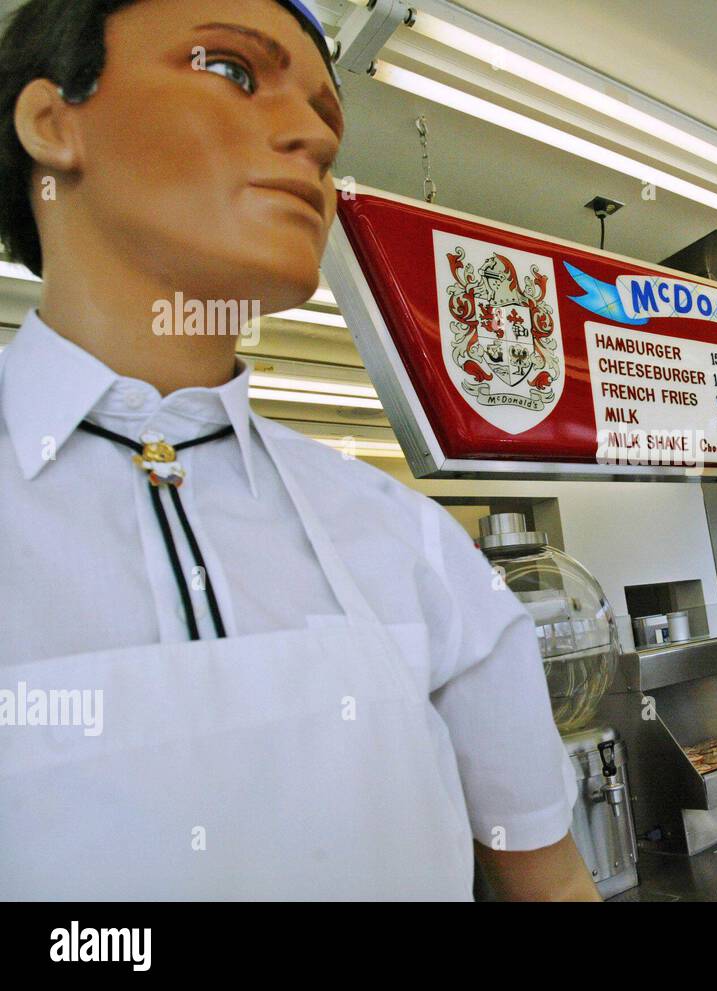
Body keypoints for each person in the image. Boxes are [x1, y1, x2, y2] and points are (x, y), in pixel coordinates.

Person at [0, 0, 598, 900]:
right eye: (235, 73)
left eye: (327, 117)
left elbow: (548, 883)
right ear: (54, 124)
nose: (313, 141)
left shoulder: (417, 549)